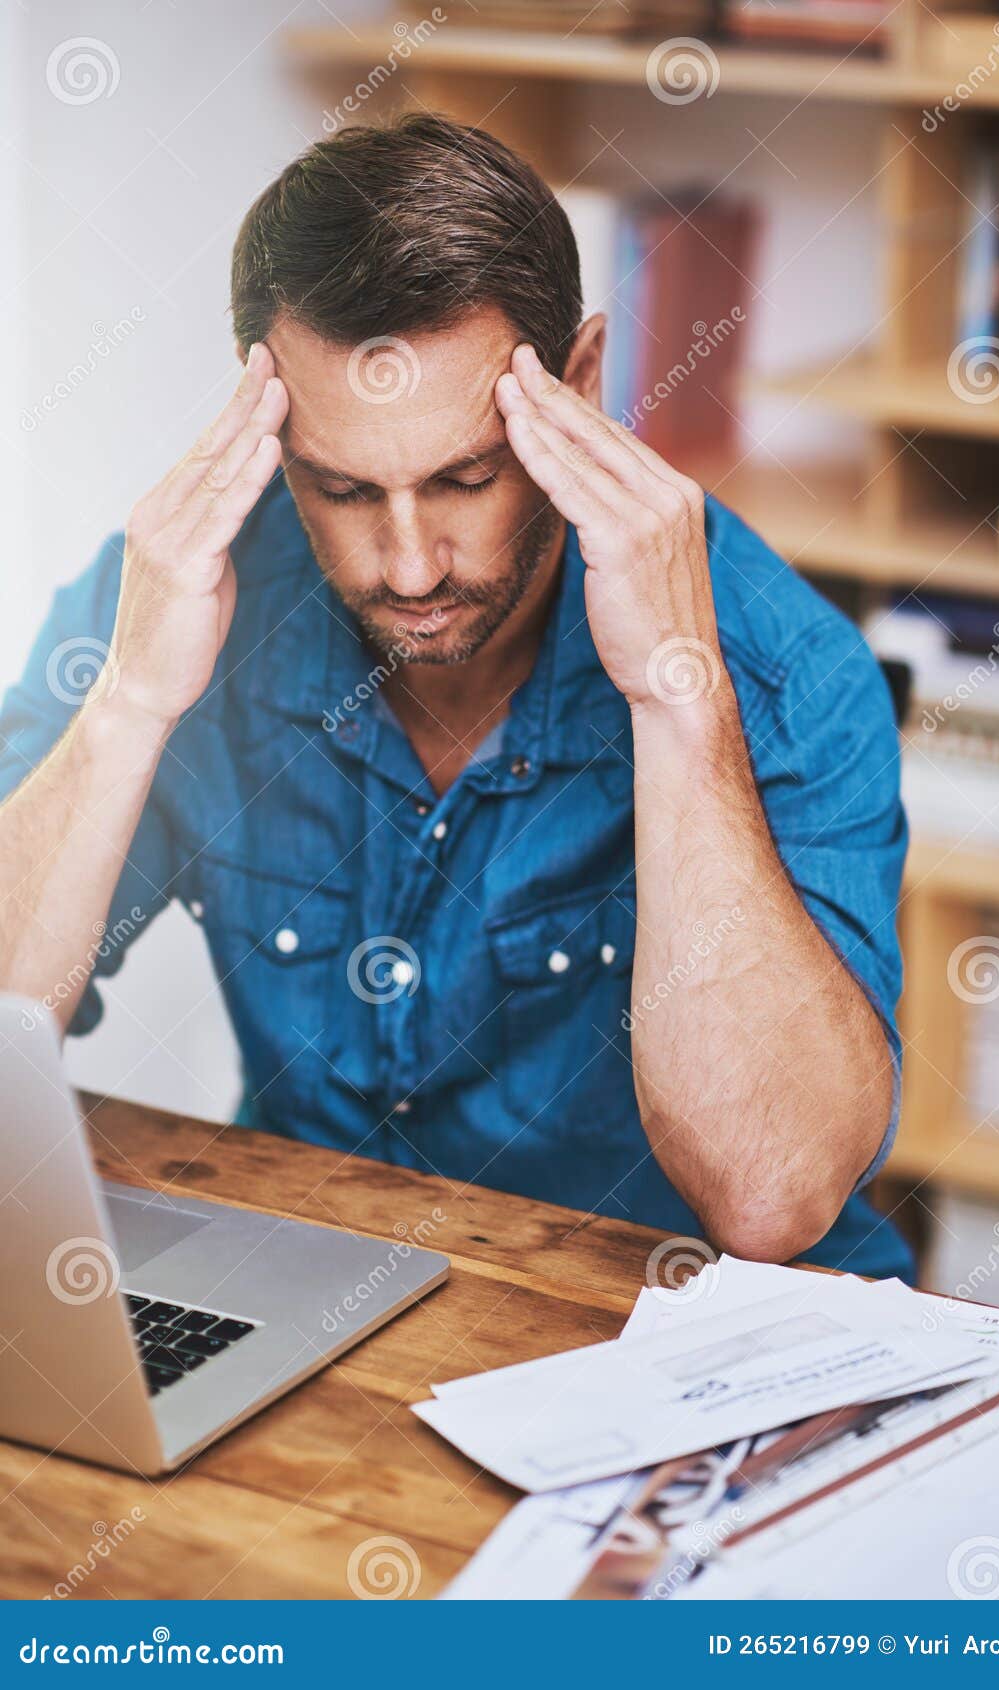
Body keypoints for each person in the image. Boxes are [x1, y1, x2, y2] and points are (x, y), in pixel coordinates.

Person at [0, 112, 910, 1277]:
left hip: (672, 1344)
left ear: (577, 383)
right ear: (267, 422)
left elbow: (771, 1194)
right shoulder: (175, 601)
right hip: (324, 1308)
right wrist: (129, 705)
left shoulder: (782, 662)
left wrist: (678, 704)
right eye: (342, 488)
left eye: (465, 477)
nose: (412, 564)